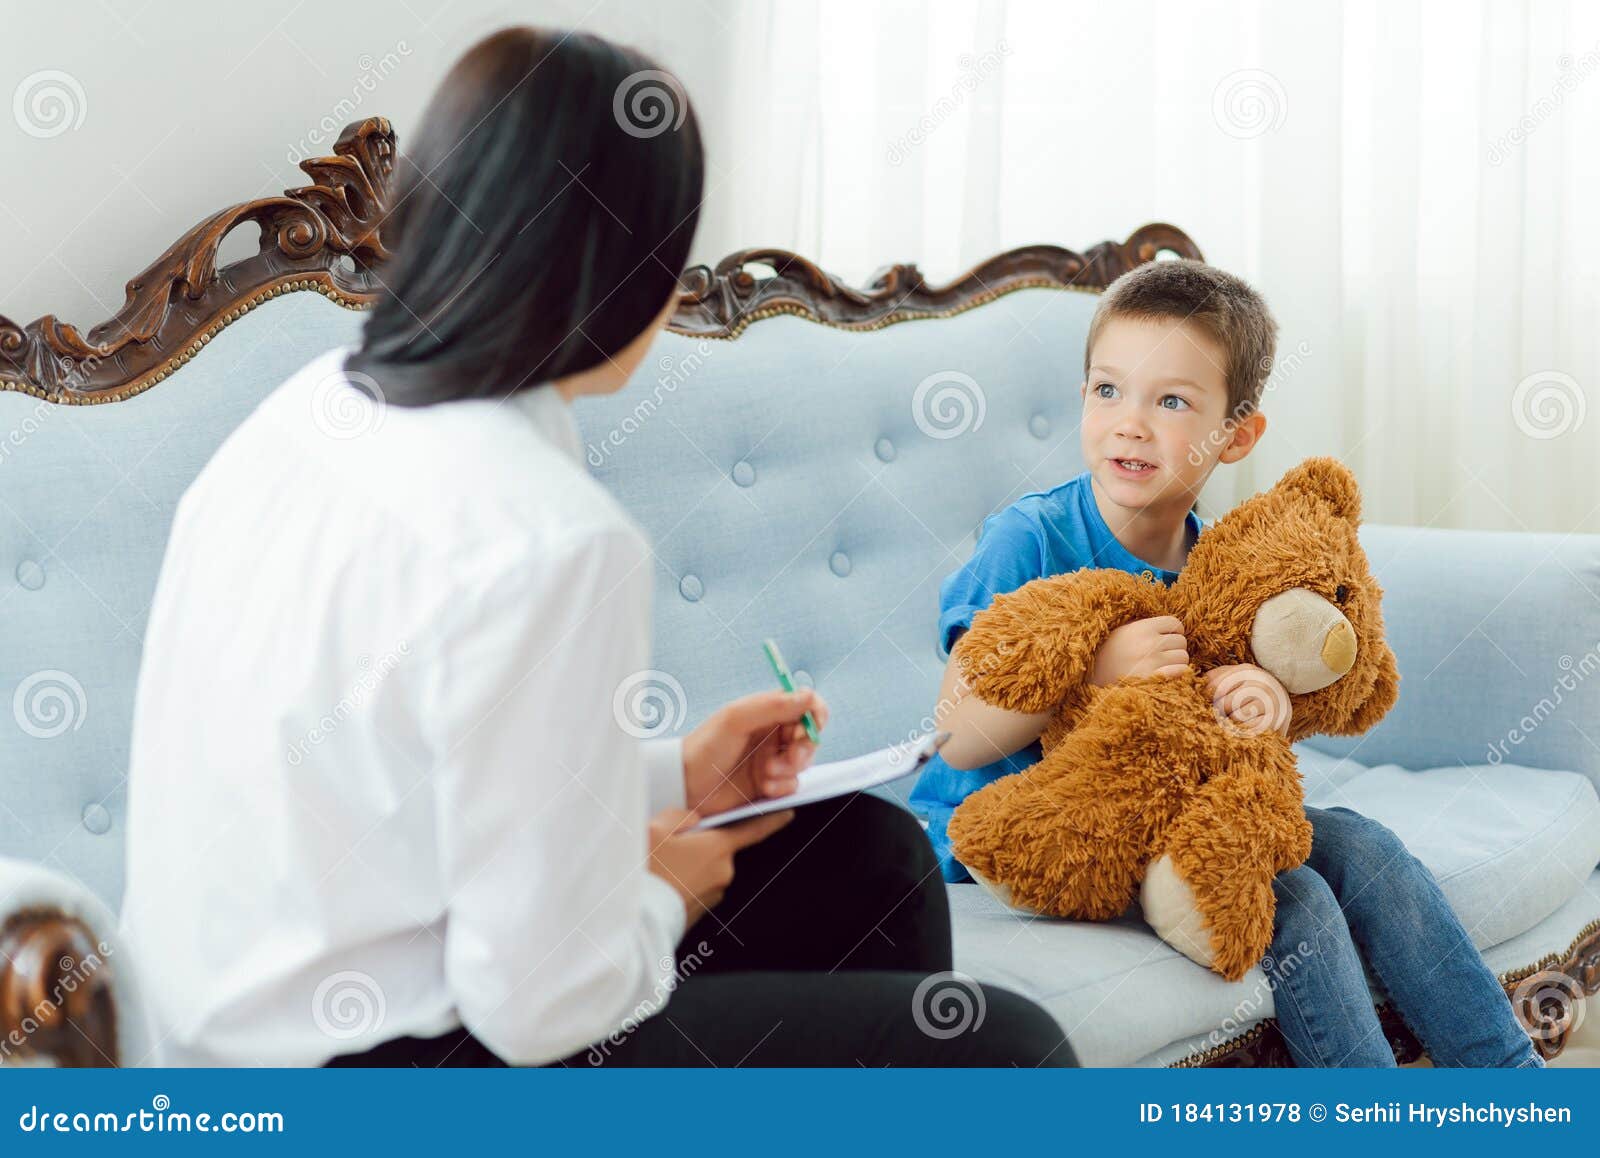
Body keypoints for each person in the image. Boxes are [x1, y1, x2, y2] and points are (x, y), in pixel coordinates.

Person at [118, 26, 1072, 1068]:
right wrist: (656, 896)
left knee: (866, 856)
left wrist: (675, 777)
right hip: (364, 1075)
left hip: (218, 1033)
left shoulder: (306, 413)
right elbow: (540, 1009)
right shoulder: (547, 537)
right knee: (1005, 1048)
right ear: (622, 267)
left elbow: (424, 772)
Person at [911, 259, 1542, 1068]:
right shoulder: (1029, 540)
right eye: (1108, 391)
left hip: (1166, 817)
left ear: (1237, 434)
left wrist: (1256, 703)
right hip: (1026, 847)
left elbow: (1223, 759)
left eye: (1171, 401)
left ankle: (1508, 1083)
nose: (1130, 423)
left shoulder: (1220, 567)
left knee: (1364, 848)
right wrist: (1094, 671)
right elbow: (957, 736)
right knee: (1297, 898)